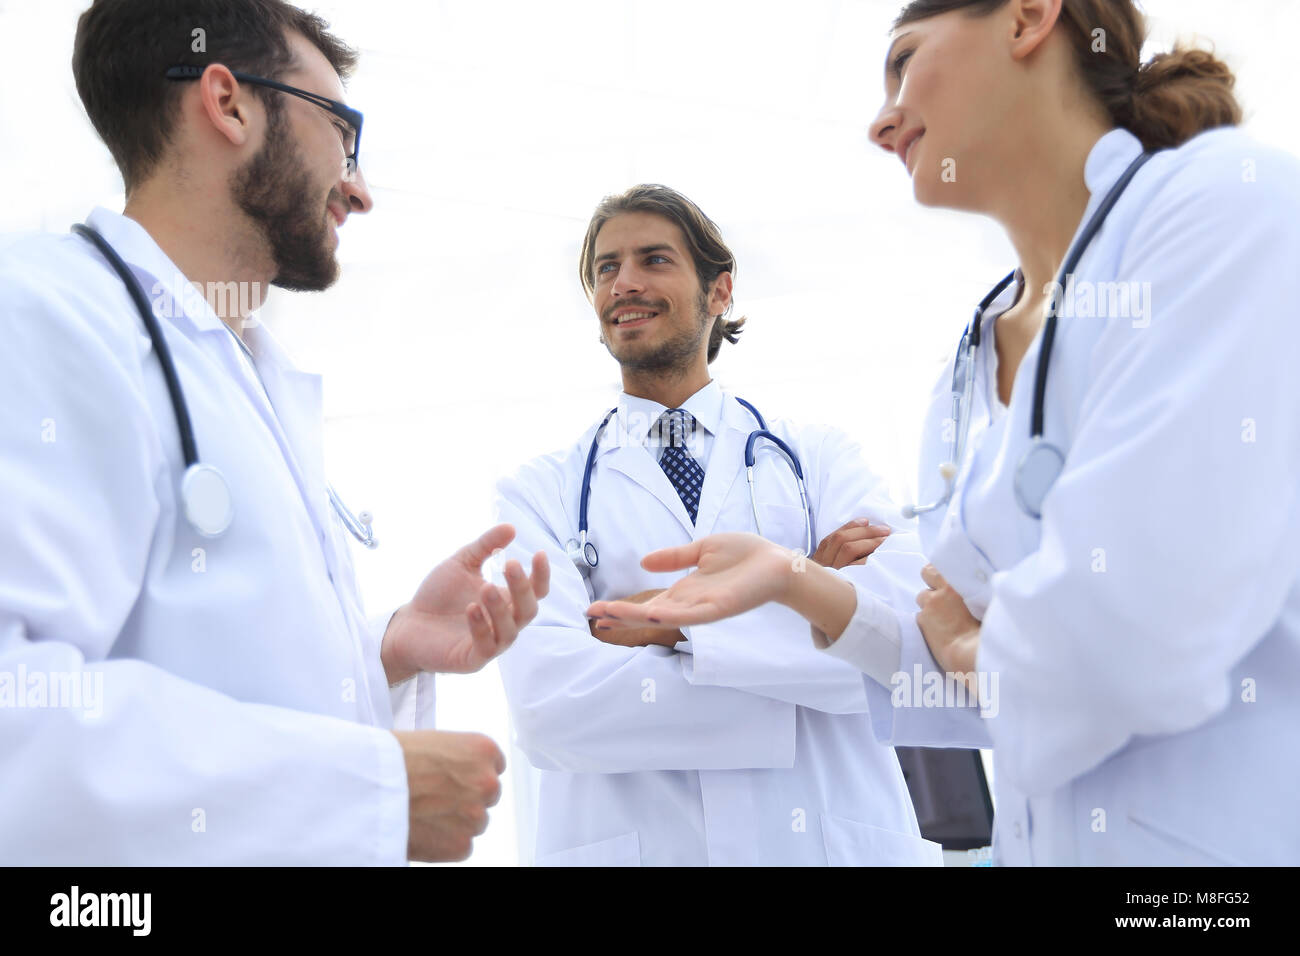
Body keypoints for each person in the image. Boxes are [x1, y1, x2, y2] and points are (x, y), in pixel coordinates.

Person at [588, 0, 1300, 865]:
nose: (883, 120)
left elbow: (1129, 643)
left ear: (1029, 18)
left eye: (906, 60)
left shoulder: (1220, 207)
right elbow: (968, 690)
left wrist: (982, 646)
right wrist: (797, 581)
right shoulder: (969, 369)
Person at [0, 0, 548, 865]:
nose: (360, 189)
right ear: (229, 103)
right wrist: (366, 792)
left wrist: (382, 653)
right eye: (342, 130)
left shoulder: (240, 364)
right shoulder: (37, 315)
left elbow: (211, 660)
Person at [492, 184, 943, 866]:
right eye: (606, 268)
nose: (626, 283)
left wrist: (674, 622)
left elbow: (910, 647)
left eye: (653, 259)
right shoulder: (537, 492)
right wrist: (809, 589)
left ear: (719, 292)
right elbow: (551, 708)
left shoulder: (817, 456)